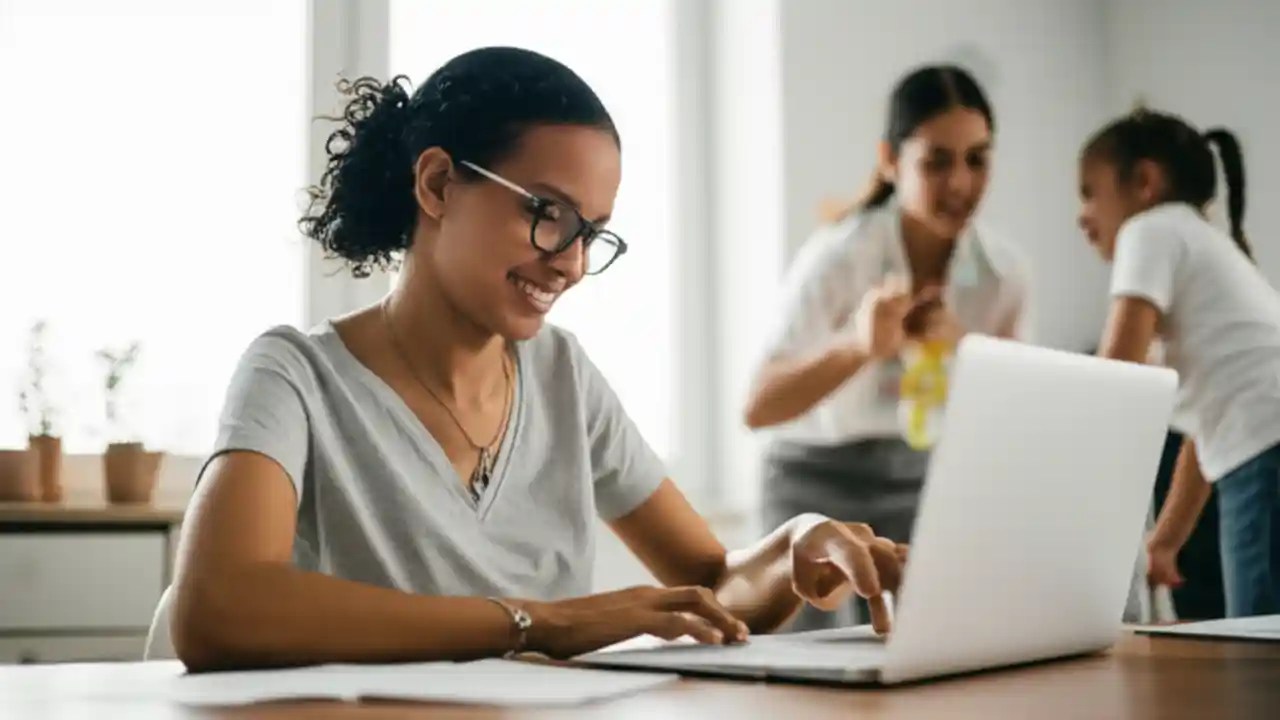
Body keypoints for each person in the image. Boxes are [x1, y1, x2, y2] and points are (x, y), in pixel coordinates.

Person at [167, 46, 907, 672]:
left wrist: (793, 547)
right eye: (547, 214)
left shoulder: (563, 378)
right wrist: (540, 623)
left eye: (592, 232)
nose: (572, 264)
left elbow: (711, 586)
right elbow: (218, 606)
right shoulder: (294, 377)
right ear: (437, 184)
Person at [743, 64, 1029, 631]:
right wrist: (858, 346)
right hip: (811, 483)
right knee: (801, 668)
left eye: (977, 159)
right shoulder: (836, 257)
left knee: (940, 647)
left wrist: (966, 350)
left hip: (927, 481)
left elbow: (1016, 421)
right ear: (890, 161)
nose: (960, 183)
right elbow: (758, 407)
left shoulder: (1004, 274)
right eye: (937, 161)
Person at [1079, 107, 1280, 617]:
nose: (1081, 216)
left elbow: (1114, 377)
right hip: (1260, 447)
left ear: (1144, 181)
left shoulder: (1149, 231)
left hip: (1264, 461)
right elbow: (1206, 439)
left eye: (1089, 193)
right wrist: (1165, 541)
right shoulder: (1209, 248)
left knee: (1260, 644)